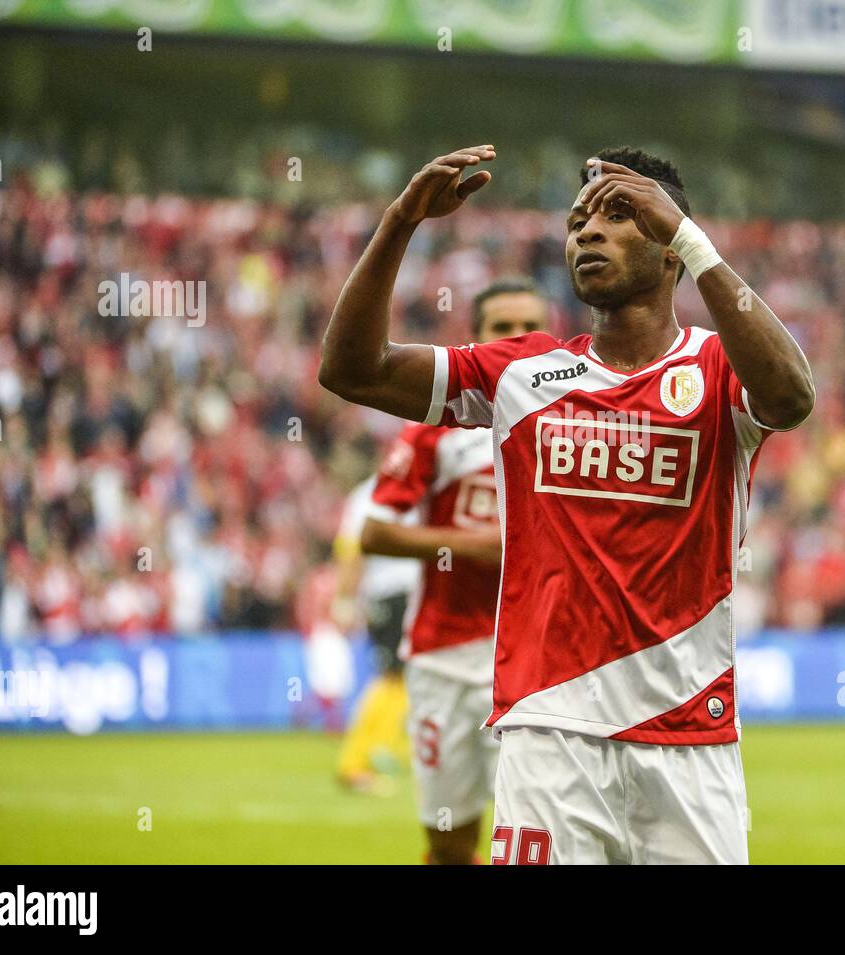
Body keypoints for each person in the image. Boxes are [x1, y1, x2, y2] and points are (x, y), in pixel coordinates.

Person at [318, 144, 814, 864]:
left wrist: (692, 238)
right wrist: (400, 221)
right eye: (580, 218)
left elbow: (793, 398)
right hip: (550, 733)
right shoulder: (523, 372)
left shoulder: (716, 371)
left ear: (671, 242)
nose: (588, 230)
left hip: (689, 740)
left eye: (620, 214)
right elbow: (350, 368)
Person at [359, 278, 549, 863]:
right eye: (502, 330)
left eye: (530, 329)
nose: (518, 342)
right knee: (448, 843)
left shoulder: (573, 421)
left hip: (537, 662)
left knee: (543, 838)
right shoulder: (433, 429)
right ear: (476, 341)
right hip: (443, 658)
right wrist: (475, 545)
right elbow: (374, 532)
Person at [332, 475, 422, 793]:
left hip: (404, 594)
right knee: (392, 677)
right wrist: (343, 599)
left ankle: (379, 752)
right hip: (394, 594)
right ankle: (356, 762)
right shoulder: (373, 493)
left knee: (401, 677)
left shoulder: (370, 491)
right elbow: (352, 552)